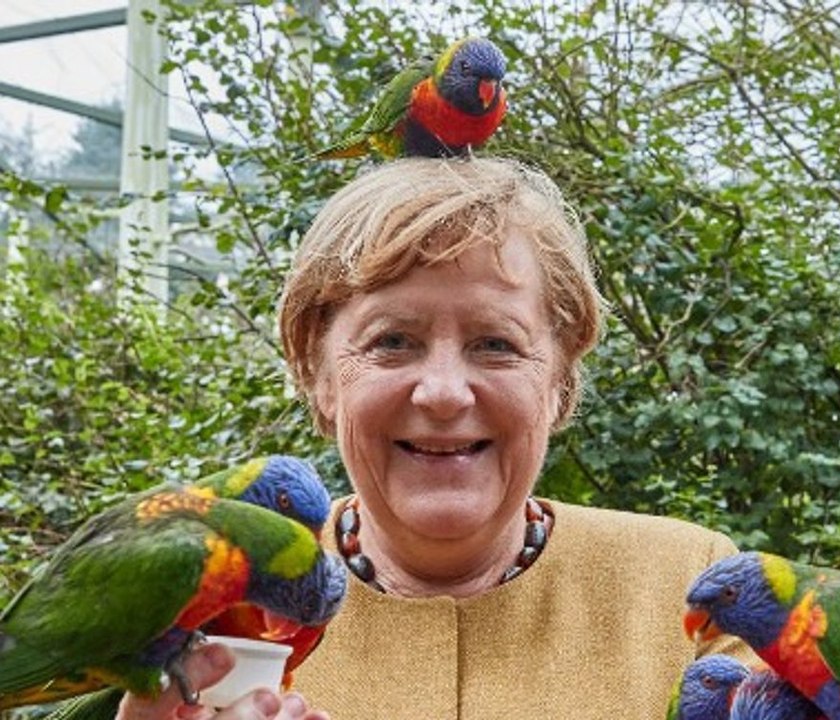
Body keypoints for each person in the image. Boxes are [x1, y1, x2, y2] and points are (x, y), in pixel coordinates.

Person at [119, 157, 748, 720]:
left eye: (496, 343)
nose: (444, 392)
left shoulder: (690, 591)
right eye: (392, 341)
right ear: (319, 375)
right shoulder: (206, 611)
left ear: (559, 380)